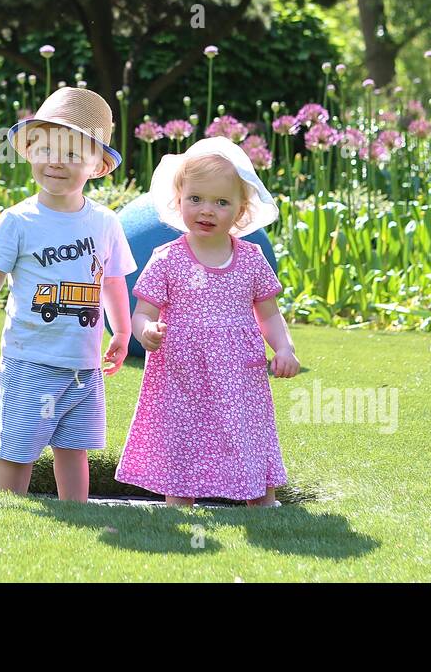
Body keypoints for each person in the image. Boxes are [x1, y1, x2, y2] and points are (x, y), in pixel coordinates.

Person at [0, 87, 137, 502]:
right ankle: (8, 512)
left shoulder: (105, 222)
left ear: (97, 165)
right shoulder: (19, 220)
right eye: (46, 149)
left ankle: (78, 511)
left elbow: (111, 282)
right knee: (17, 450)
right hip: (29, 360)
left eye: (73, 154)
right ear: (30, 152)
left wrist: (122, 332)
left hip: (84, 366)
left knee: (75, 449)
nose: (57, 161)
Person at [115, 136, 299, 507]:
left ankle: (261, 500)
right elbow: (144, 311)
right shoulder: (167, 258)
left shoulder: (250, 259)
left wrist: (284, 347)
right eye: (196, 199)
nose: (207, 210)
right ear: (178, 199)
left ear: (241, 210)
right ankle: (179, 503)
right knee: (184, 433)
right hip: (182, 372)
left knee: (246, 429)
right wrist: (146, 331)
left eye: (221, 202)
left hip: (238, 372)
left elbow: (269, 312)